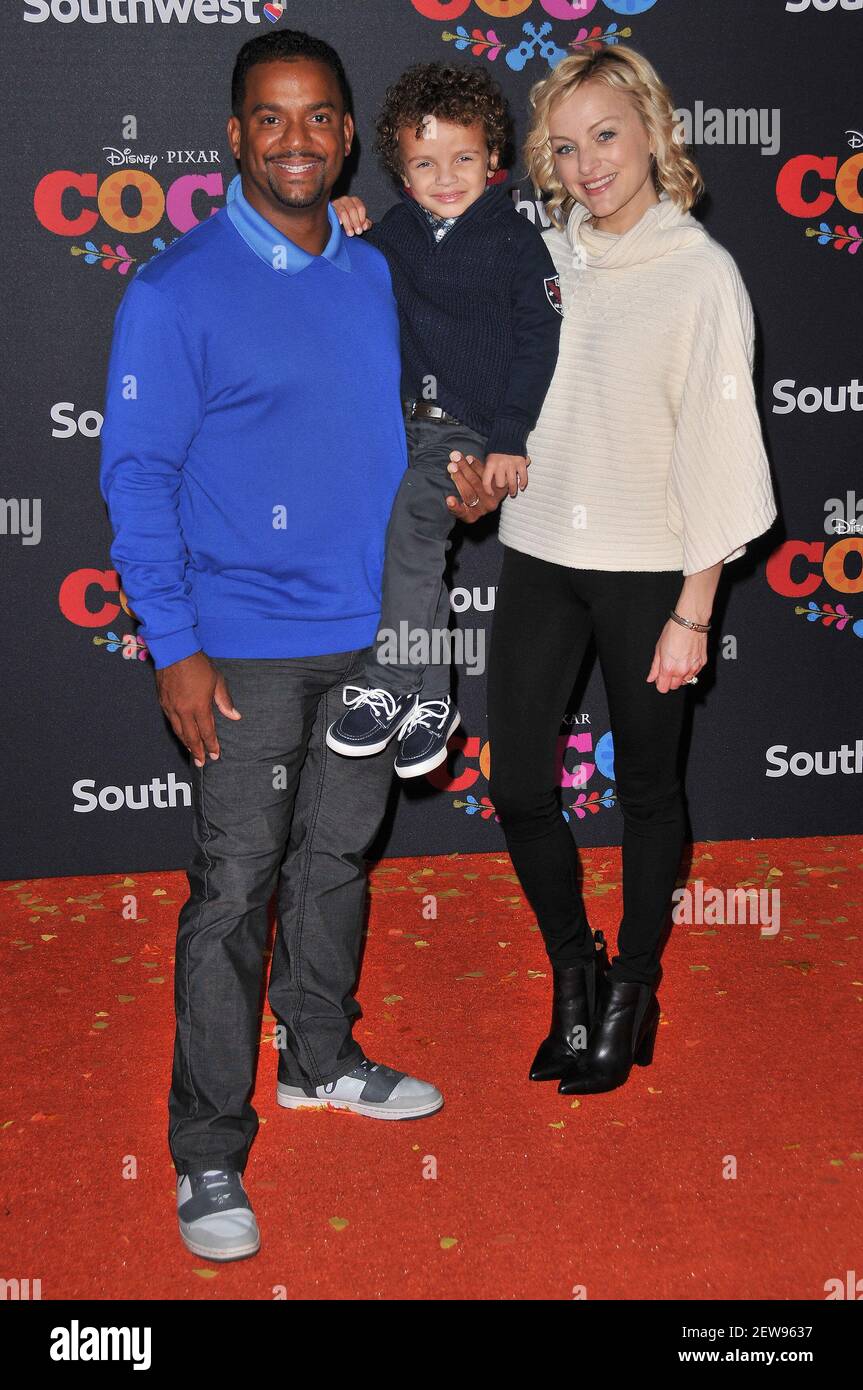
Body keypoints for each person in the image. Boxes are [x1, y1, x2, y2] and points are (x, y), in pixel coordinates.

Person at [98, 29, 498, 1264]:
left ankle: (319, 1055)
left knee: (338, 858)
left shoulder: (377, 272)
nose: (295, 141)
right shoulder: (172, 292)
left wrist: (468, 477)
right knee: (233, 891)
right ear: (233, 137)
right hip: (243, 647)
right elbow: (137, 474)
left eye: (318, 118)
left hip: (374, 634)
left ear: (344, 137)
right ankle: (208, 1150)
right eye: (270, 120)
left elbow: (417, 425)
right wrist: (175, 644)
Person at [486, 44, 778, 1095]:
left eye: (605, 135)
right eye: (564, 147)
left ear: (652, 130)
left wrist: (692, 611)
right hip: (536, 553)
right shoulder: (545, 253)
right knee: (515, 782)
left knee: (647, 790)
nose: (587, 163)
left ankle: (634, 985)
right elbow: (434, 285)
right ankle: (575, 970)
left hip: (649, 569)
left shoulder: (700, 273)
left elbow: (718, 444)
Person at [324, 62, 562, 779]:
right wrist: (335, 224)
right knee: (404, 554)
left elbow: (537, 345)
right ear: (399, 170)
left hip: (468, 430)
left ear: (493, 157)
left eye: (463, 158)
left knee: (416, 533)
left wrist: (508, 440)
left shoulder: (517, 241)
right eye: (424, 163)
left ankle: (397, 684)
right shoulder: (395, 232)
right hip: (398, 428)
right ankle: (433, 701)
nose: (446, 176)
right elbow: (340, 277)